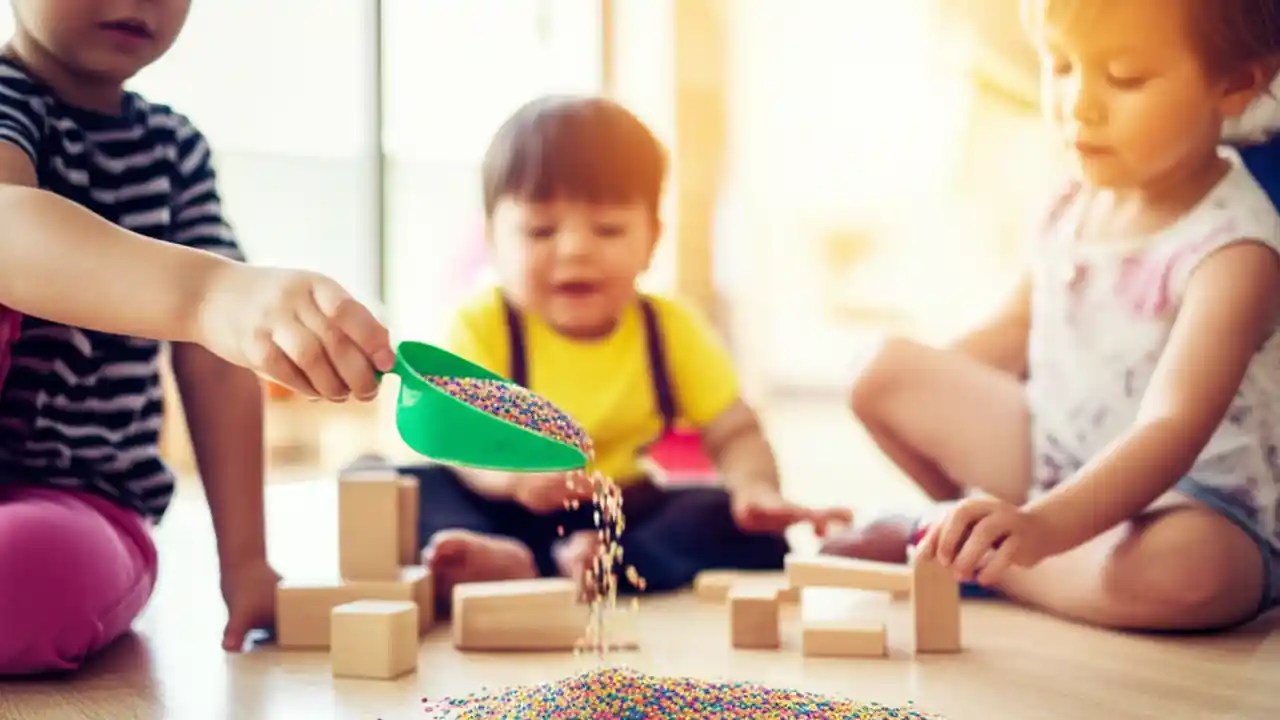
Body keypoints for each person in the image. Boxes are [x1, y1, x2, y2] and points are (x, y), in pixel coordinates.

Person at [824, 0, 1280, 631]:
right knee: (877, 370)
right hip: (1050, 458)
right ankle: (990, 540)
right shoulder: (1072, 201)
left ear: (1235, 84)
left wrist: (1043, 526)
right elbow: (1015, 331)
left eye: (1124, 78)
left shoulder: (1237, 253)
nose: (1079, 104)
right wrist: (923, 394)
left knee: (1197, 575)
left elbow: (1173, 427)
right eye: (1062, 66)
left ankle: (960, 550)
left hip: (1187, 503)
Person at [0, 0, 393, 675]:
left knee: (27, 572)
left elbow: (215, 366)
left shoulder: (173, 150)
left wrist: (245, 564)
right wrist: (212, 295)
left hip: (80, 503)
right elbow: (9, 227)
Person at [386, 95, 849, 608]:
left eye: (608, 229)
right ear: (493, 239)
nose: (576, 249)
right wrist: (516, 479)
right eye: (541, 230)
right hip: (502, 505)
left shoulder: (667, 328)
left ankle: (600, 564)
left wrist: (755, 489)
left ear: (652, 239)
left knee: (731, 520)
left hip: (619, 509)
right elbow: (459, 438)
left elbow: (734, 430)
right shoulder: (485, 323)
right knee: (397, 487)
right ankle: (515, 559)